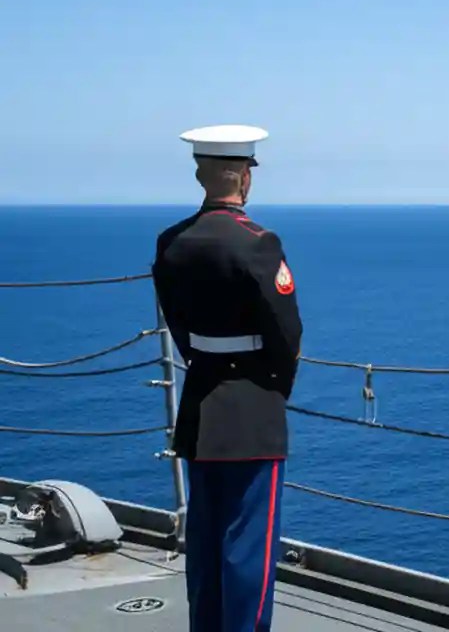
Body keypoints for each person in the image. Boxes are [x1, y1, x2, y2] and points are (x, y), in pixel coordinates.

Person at [151, 124, 302, 632]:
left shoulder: (171, 242)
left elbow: (178, 327)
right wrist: (273, 389)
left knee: (207, 544)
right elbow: (286, 331)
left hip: (199, 406)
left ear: (201, 173)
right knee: (249, 554)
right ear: (243, 177)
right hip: (251, 411)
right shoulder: (258, 243)